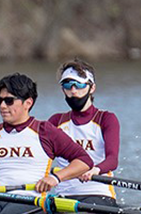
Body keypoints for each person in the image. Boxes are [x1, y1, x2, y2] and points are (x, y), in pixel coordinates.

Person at [0, 73, 95, 214]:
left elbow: (84, 161)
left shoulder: (45, 131)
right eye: (0, 100)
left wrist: (56, 178)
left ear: (28, 103)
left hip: (30, 199)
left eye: (9, 101)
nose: (3, 106)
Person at [46, 59, 121, 205]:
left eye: (78, 85)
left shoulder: (106, 119)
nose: (73, 91)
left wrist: (95, 170)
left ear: (91, 88)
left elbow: (112, 160)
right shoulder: (56, 121)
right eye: (67, 85)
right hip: (63, 195)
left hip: (97, 193)